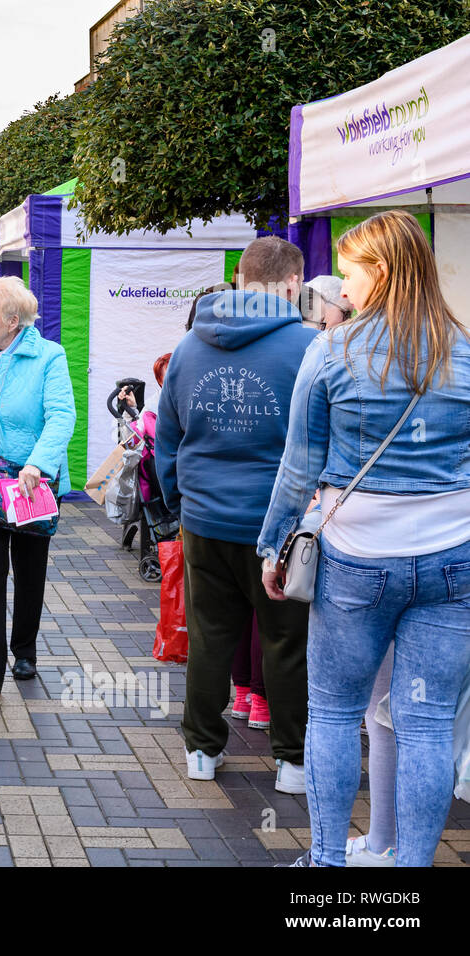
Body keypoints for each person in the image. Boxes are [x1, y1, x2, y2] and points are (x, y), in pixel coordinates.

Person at [258, 210, 470, 867]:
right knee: (429, 724)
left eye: (351, 274)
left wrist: (274, 545)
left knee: (332, 713)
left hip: (357, 559)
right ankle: (408, 871)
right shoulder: (463, 351)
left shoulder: (334, 350)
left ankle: (328, 862)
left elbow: (299, 464)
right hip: (454, 561)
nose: (342, 290)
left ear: (380, 271)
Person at [155, 236, 317, 793]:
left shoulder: (188, 348)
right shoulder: (308, 347)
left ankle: (202, 749)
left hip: (204, 521)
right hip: (282, 527)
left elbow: (167, 442)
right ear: (293, 284)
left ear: (242, 277)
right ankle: (292, 763)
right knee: (286, 642)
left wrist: (180, 505)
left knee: (209, 638)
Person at [0, 277, 74, 703]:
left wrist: (37, 463)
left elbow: (62, 415)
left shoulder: (49, 356)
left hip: (31, 483)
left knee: (29, 571)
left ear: (12, 321)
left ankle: (23, 649)